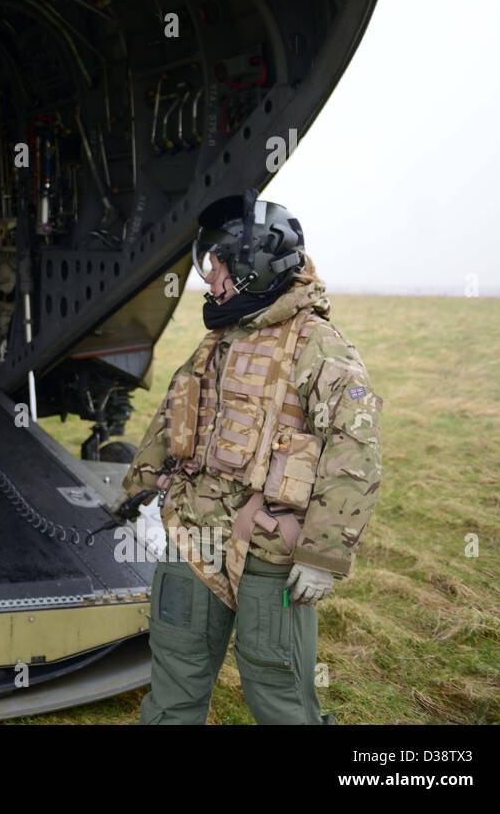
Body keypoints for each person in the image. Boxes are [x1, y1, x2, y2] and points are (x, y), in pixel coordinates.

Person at [124, 191, 383, 724]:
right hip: (193, 536)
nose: (210, 280)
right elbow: (179, 410)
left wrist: (323, 555)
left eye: (218, 267)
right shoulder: (220, 340)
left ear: (252, 269)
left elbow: (355, 456)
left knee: (279, 690)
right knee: (174, 682)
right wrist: (139, 485)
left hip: (270, 552)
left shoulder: (321, 348)